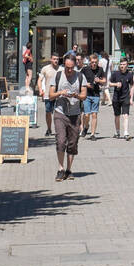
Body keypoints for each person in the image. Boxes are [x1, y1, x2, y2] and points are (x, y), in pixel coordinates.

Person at [49, 52, 86, 181]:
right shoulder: (58, 76)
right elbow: (50, 95)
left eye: (71, 67)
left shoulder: (80, 76)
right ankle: (60, 169)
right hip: (60, 113)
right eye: (67, 67)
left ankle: (69, 170)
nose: (69, 70)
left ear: (75, 65)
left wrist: (76, 95)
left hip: (75, 114)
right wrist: (60, 93)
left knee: (72, 143)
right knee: (60, 141)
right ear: (63, 65)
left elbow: (84, 95)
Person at [107, 58, 134, 139]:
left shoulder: (129, 75)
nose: (122, 66)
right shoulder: (115, 74)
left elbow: (132, 86)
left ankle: (126, 132)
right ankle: (117, 132)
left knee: (125, 115)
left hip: (125, 97)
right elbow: (109, 84)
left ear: (127, 65)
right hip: (116, 97)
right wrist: (115, 84)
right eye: (121, 64)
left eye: (124, 64)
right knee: (117, 116)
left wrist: (131, 98)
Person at [82, 53, 106, 139]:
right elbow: (79, 79)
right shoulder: (85, 69)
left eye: (95, 62)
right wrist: (86, 84)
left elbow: (104, 80)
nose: (94, 64)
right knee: (86, 115)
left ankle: (92, 134)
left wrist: (99, 80)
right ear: (89, 62)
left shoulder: (100, 69)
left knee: (94, 115)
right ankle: (85, 127)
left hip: (96, 94)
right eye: (92, 62)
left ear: (98, 62)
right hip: (87, 94)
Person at [37, 53, 61, 136]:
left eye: (57, 59)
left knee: (58, 113)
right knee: (48, 112)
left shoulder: (61, 69)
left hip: (58, 95)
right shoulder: (45, 69)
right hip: (47, 94)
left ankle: (58, 130)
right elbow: (39, 80)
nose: (56, 61)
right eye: (54, 59)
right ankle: (49, 129)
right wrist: (40, 90)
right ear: (51, 59)